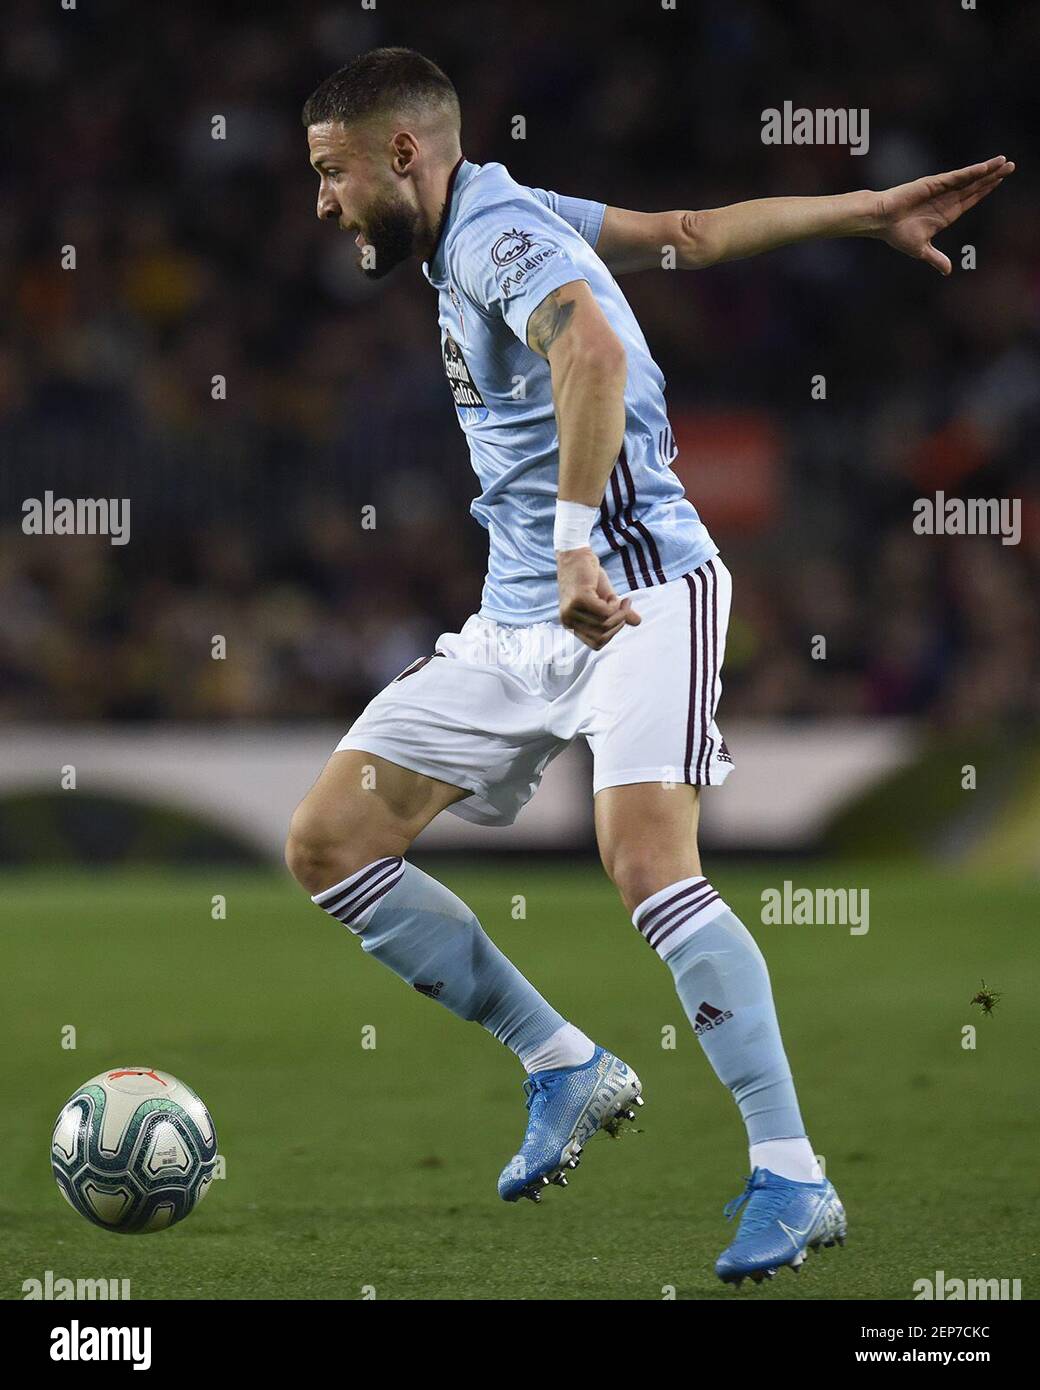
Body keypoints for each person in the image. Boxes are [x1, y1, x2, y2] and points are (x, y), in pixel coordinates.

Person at [287, 45, 1012, 1283]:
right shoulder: (502, 209)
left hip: (632, 589)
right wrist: (862, 210)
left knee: (642, 859)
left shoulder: (486, 239)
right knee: (330, 843)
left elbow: (597, 356)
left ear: (401, 152)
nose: (323, 203)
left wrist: (575, 547)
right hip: (521, 617)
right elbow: (689, 230)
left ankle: (793, 1175)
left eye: (331, 172)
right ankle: (564, 1062)